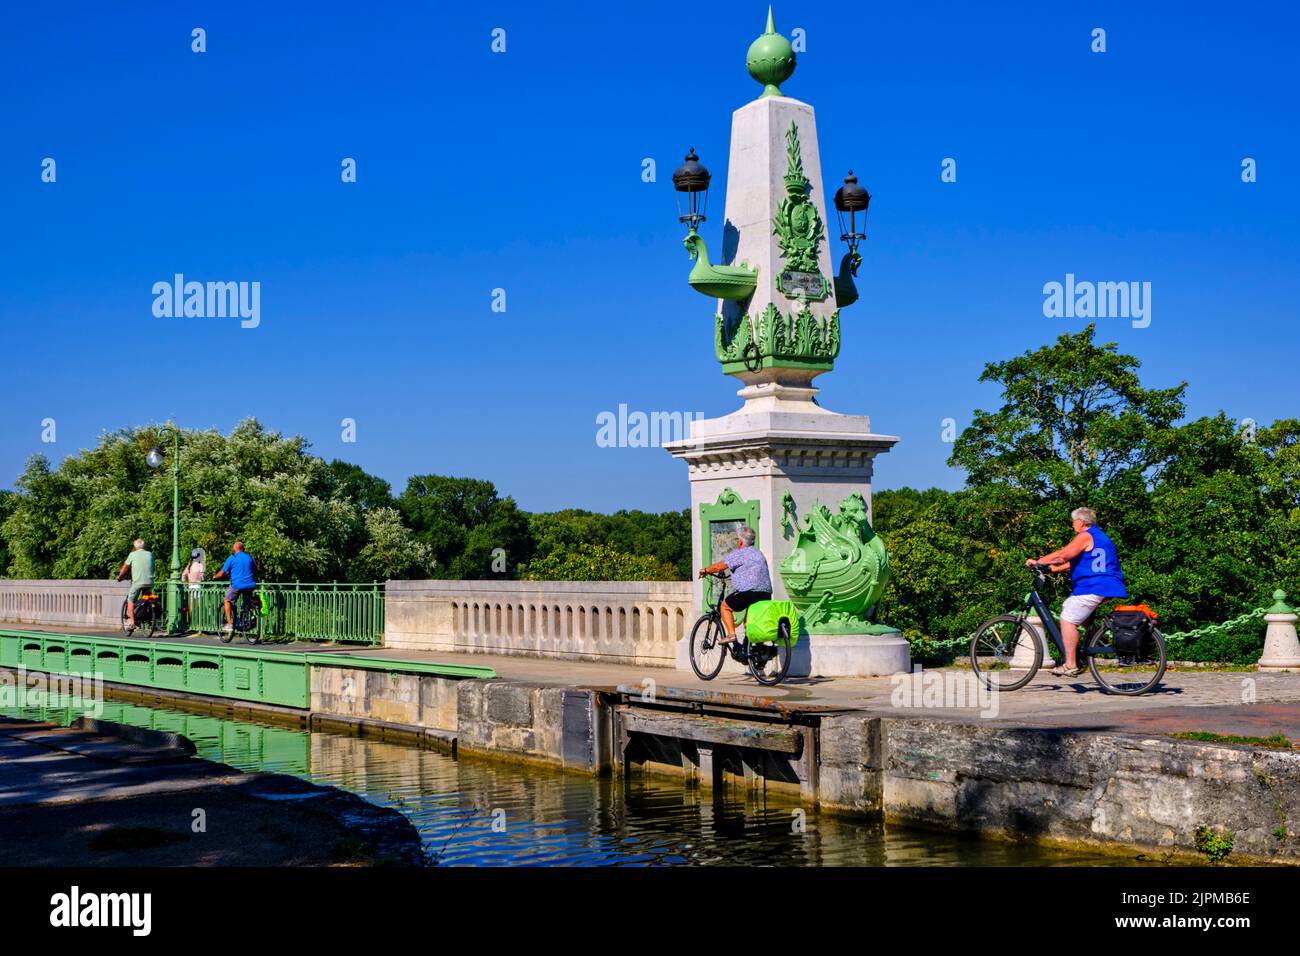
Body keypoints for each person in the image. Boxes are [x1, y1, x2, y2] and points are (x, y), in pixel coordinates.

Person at [1026, 506, 1127, 677]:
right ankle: (1092, 642)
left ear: (1081, 522)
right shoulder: (1100, 536)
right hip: (1107, 585)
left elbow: (1064, 554)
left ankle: (1071, 664)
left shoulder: (1085, 536)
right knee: (1070, 606)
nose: (1073, 525)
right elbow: (1083, 559)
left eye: (1074, 522)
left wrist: (1038, 562)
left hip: (1094, 586)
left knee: (1067, 620)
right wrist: (1057, 570)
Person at [697, 526, 772, 644]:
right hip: (766, 593)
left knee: (724, 606)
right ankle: (750, 650)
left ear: (741, 541)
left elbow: (719, 566)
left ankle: (731, 635)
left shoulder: (740, 553)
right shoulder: (759, 553)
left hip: (749, 593)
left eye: (738, 539)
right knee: (748, 621)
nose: (737, 541)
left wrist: (705, 570)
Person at [211, 541, 257, 633]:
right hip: (250, 584)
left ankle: (229, 624)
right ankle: (249, 614)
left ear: (235, 548)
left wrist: (214, 577)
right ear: (242, 548)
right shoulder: (249, 557)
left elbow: (222, 573)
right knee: (247, 600)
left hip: (237, 585)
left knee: (227, 600)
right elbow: (255, 569)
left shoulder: (232, 558)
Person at [116, 538, 154, 629]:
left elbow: (125, 567)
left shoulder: (132, 555)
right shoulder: (150, 554)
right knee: (146, 598)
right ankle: (147, 617)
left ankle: (132, 623)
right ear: (144, 546)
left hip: (137, 582)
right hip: (150, 582)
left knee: (131, 600)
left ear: (134, 546)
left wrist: (120, 577)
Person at [182, 549, 205, 630]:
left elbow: (183, 576)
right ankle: (199, 623)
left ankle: (190, 623)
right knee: (199, 606)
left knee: (191, 607)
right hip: (198, 587)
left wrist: (185, 584)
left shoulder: (189, 565)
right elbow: (202, 577)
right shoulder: (200, 565)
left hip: (190, 587)